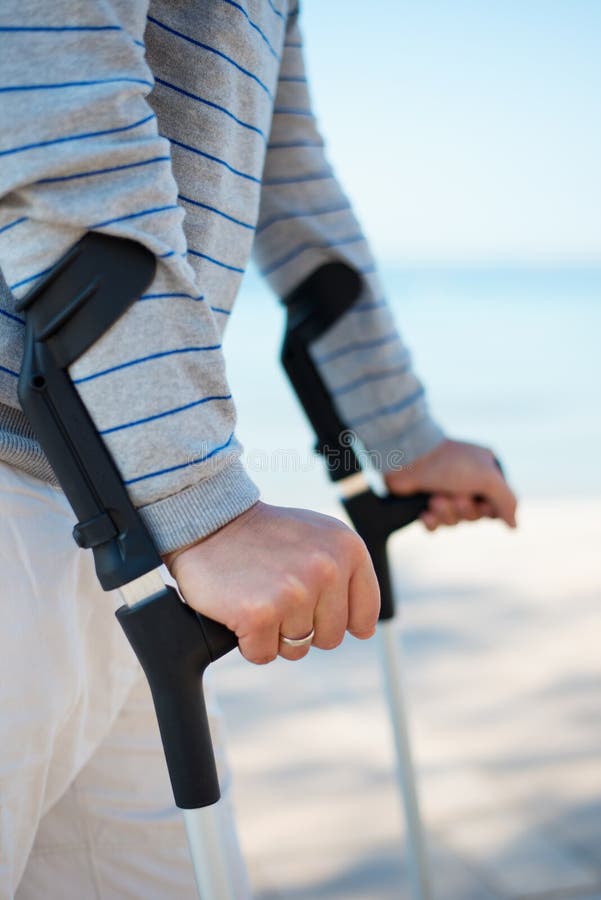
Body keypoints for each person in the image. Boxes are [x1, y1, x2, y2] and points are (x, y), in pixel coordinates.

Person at [0, 2, 517, 897]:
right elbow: (48, 85)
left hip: (123, 518)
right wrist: (205, 498)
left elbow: (289, 174)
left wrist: (398, 433)